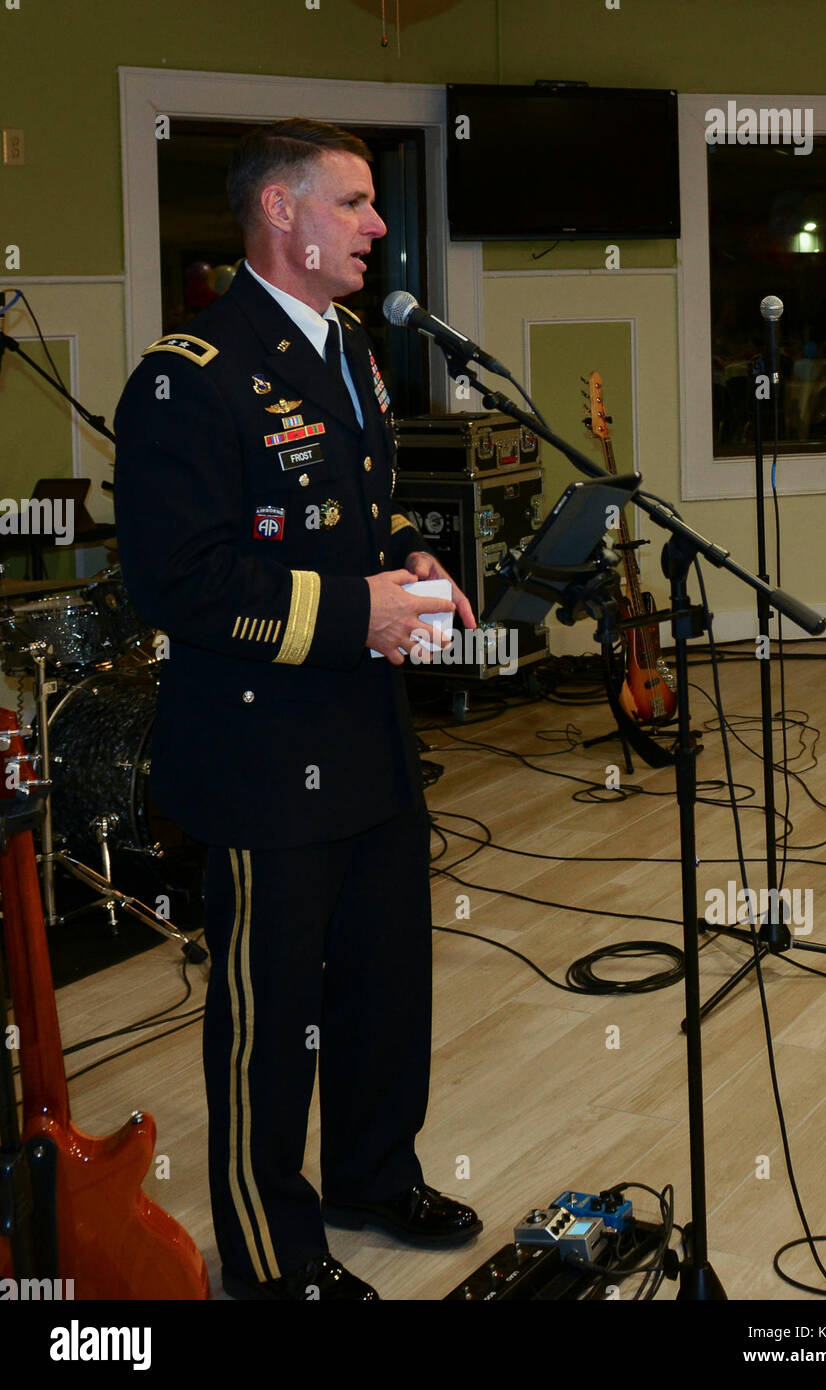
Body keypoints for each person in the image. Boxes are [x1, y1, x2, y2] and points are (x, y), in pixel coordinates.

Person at [114, 118, 480, 1301]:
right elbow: (182, 581)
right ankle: (272, 1255)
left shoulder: (354, 349)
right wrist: (355, 615)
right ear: (281, 211)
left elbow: (366, 516)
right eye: (357, 203)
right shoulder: (190, 373)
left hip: (367, 730)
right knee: (275, 1019)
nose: (379, 227)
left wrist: (419, 568)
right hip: (267, 748)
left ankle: (376, 1174)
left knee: (386, 980)